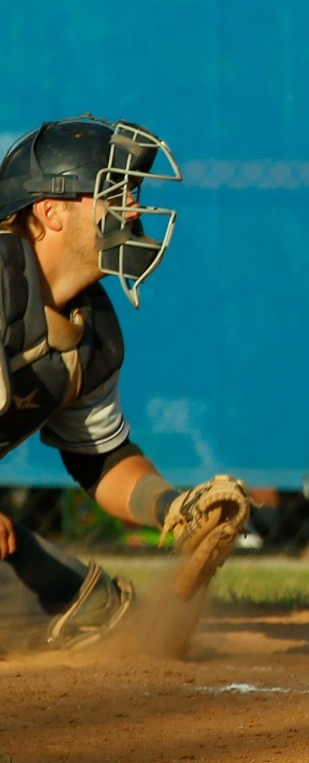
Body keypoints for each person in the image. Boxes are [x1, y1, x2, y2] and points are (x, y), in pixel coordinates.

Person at [0, 117, 249, 648]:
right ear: (51, 211)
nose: (133, 208)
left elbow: (100, 458)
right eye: (115, 191)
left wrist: (175, 509)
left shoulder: (93, 335)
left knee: (102, 618)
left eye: (132, 192)